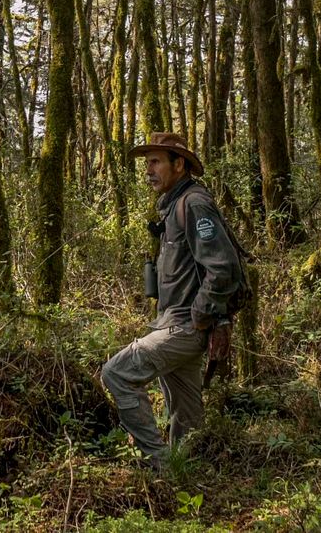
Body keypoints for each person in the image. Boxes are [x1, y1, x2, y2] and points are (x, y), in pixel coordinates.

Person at [100, 131, 246, 470]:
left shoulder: (193, 203)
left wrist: (200, 315)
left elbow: (223, 268)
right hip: (174, 322)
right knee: (187, 418)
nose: (148, 170)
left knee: (116, 373)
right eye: (147, 163)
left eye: (155, 162)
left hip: (184, 327)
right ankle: (185, 477)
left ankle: (159, 461)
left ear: (178, 164)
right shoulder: (174, 205)